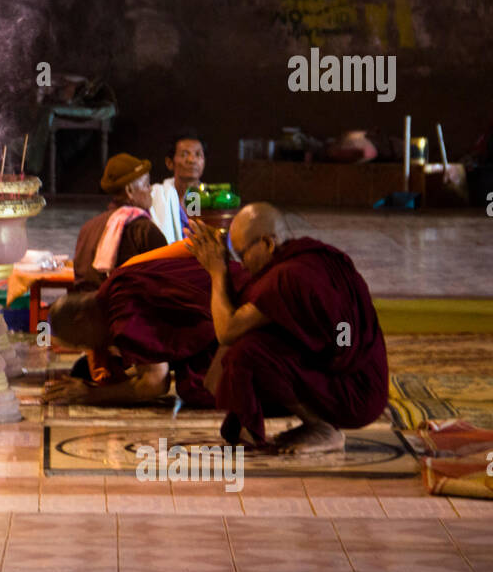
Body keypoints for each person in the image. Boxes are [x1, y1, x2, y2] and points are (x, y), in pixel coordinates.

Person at [185, 203, 389, 454]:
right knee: (246, 347)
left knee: (247, 353)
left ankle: (323, 427)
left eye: (242, 255)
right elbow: (340, 328)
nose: (242, 265)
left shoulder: (289, 276)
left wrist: (217, 272)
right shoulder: (300, 262)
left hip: (355, 389)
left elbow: (227, 330)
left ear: (268, 244)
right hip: (351, 376)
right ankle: (311, 420)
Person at [43, 252, 248, 408]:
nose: (89, 348)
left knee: (196, 388)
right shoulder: (117, 281)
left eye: (81, 342)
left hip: (241, 313)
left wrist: (90, 394)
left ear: (81, 320)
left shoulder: (121, 315)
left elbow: (155, 383)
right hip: (235, 295)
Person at [71, 153, 167, 292]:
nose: (150, 189)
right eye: (146, 185)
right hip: (126, 311)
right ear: (129, 191)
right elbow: (165, 279)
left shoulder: (88, 227)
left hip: (86, 310)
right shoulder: (144, 229)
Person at [149, 132, 206, 243]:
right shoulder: (158, 195)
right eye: (184, 154)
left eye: (198, 154)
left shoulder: (207, 197)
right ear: (169, 162)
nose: (192, 160)